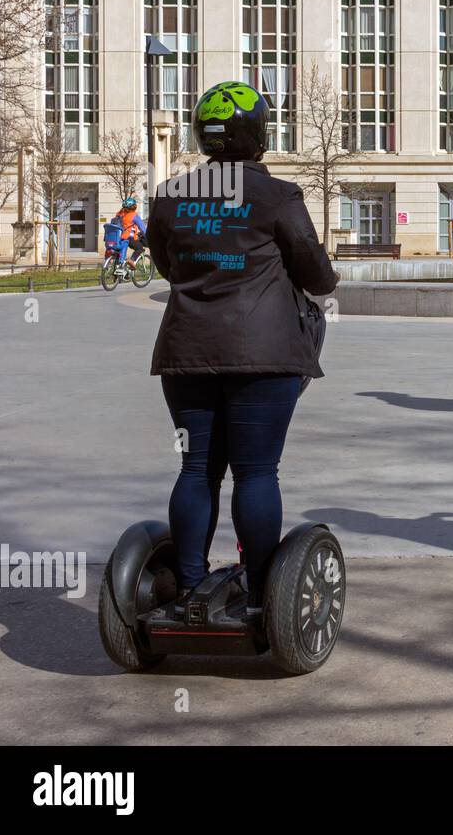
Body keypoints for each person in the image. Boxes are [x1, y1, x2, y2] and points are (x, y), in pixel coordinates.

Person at [147, 80, 338, 612]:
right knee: (256, 472)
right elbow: (317, 278)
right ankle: (260, 588)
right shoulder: (277, 195)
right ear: (259, 134)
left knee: (195, 469)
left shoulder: (169, 196)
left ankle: (187, 585)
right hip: (264, 356)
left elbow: (170, 266)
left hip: (186, 353)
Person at [112, 197, 147, 274]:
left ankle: (120, 272)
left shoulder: (119, 214)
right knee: (140, 248)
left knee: (119, 253)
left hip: (118, 238)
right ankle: (132, 260)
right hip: (128, 238)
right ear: (134, 207)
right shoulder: (134, 215)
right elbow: (143, 229)